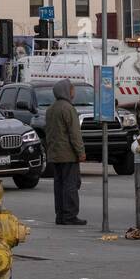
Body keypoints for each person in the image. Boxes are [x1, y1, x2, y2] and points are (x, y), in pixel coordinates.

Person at [45, 78, 87, 225]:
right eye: (72, 89)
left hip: (55, 154)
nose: (74, 91)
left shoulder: (51, 109)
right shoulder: (68, 108)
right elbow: (75, 134)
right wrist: (80, 152)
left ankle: (61, 215)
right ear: (66, 91)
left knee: (59, 185)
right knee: (71, 184)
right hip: (68, 154)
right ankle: (70, 215)